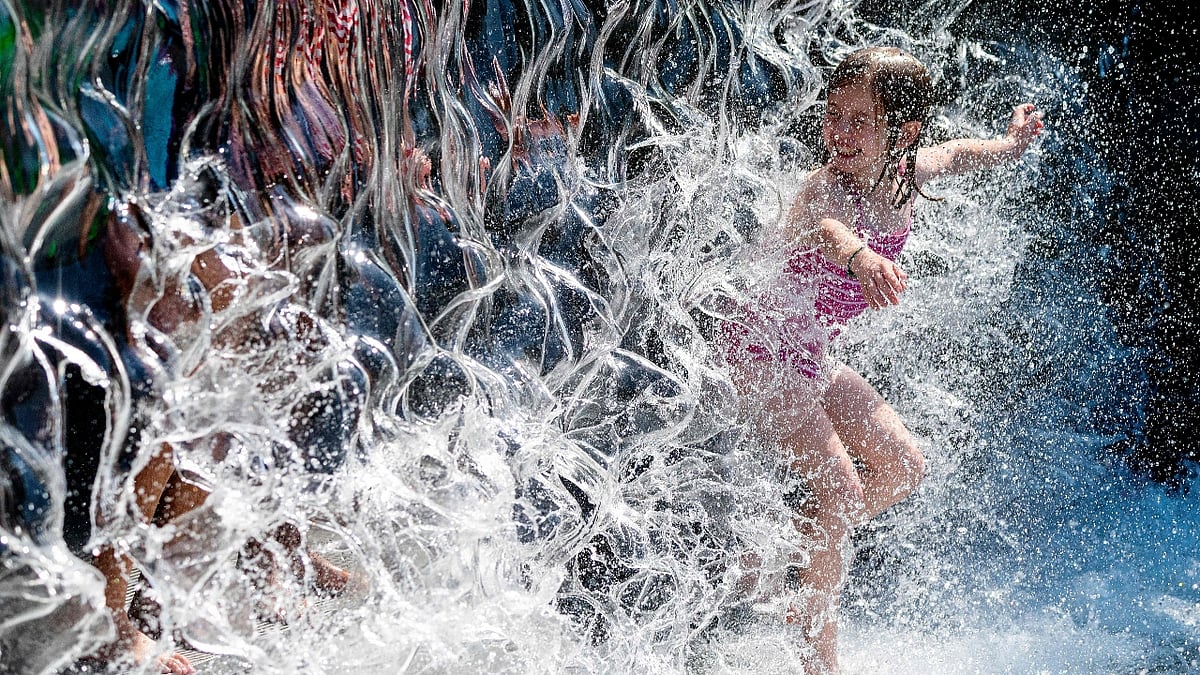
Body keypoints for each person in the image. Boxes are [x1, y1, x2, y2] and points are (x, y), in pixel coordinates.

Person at [720, 46, 1044, 673]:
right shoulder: (823, 187)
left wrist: (1009, 144)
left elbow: (961, 153)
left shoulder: (907, 177)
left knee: (904, 464)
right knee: (839, 487)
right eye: (832, 115)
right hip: (759, 348)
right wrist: (860, 257)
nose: (838, 132)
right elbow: (825, 231)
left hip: (808, 353)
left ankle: (799, 553)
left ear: (903, 131)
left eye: (858, 121)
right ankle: (818, 662)